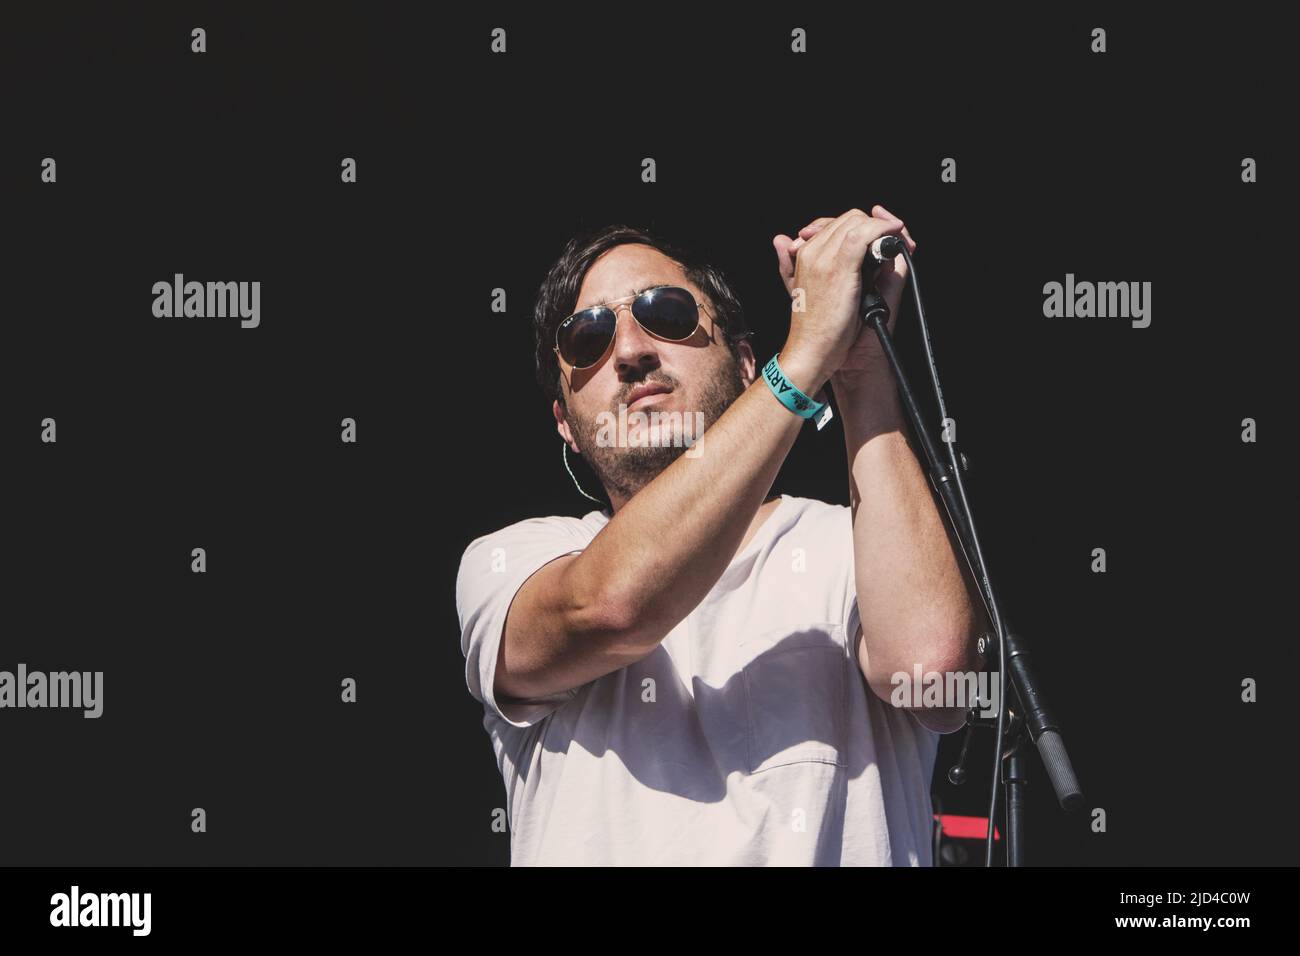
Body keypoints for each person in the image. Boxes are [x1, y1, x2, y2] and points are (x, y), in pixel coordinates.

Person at [456, 207, 988, 865]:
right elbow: (613, 605)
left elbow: (933, 675)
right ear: (565, 423)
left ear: (743, 364)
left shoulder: (850, 542)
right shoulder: (511, 561)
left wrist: (860, 372)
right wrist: (804, 359)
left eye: (667, 312)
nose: (630, 352)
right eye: (588, 337)